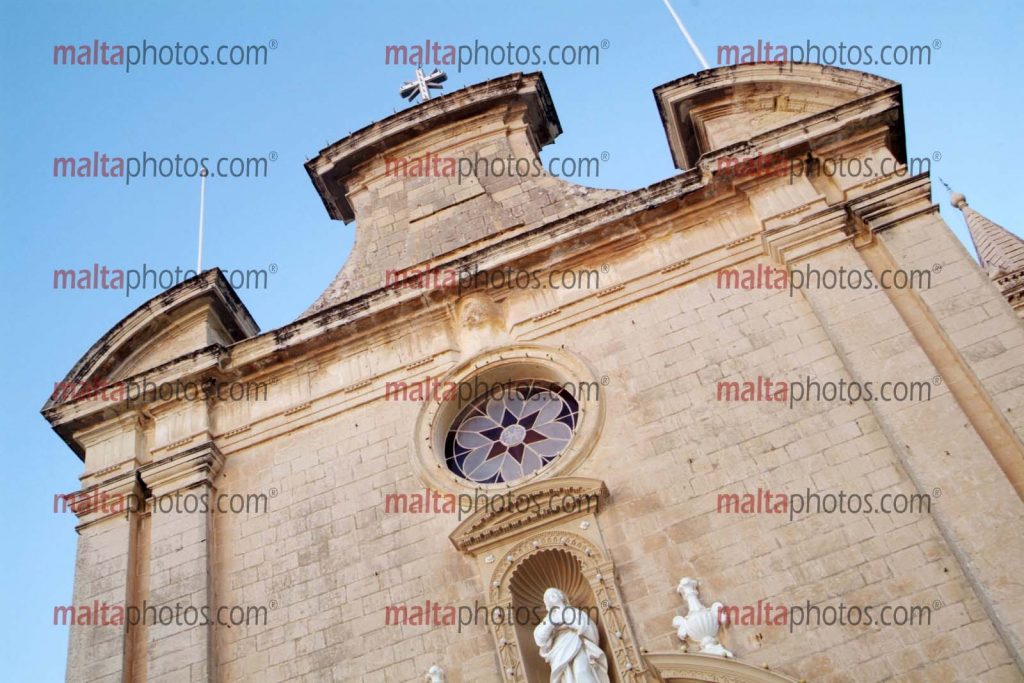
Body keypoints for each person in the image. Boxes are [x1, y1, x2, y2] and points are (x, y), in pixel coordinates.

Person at [532, 588, 611, 683]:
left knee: (581, 671)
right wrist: (551, 623)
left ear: (561, 596)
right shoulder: (549, 619)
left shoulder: (573, 612)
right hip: (559, 651)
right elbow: (539, 638)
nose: (551, 597)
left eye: (553, 594)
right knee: (568, 679)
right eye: (548, 597)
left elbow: (587, 626)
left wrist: (566, 619)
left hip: (576, 644)